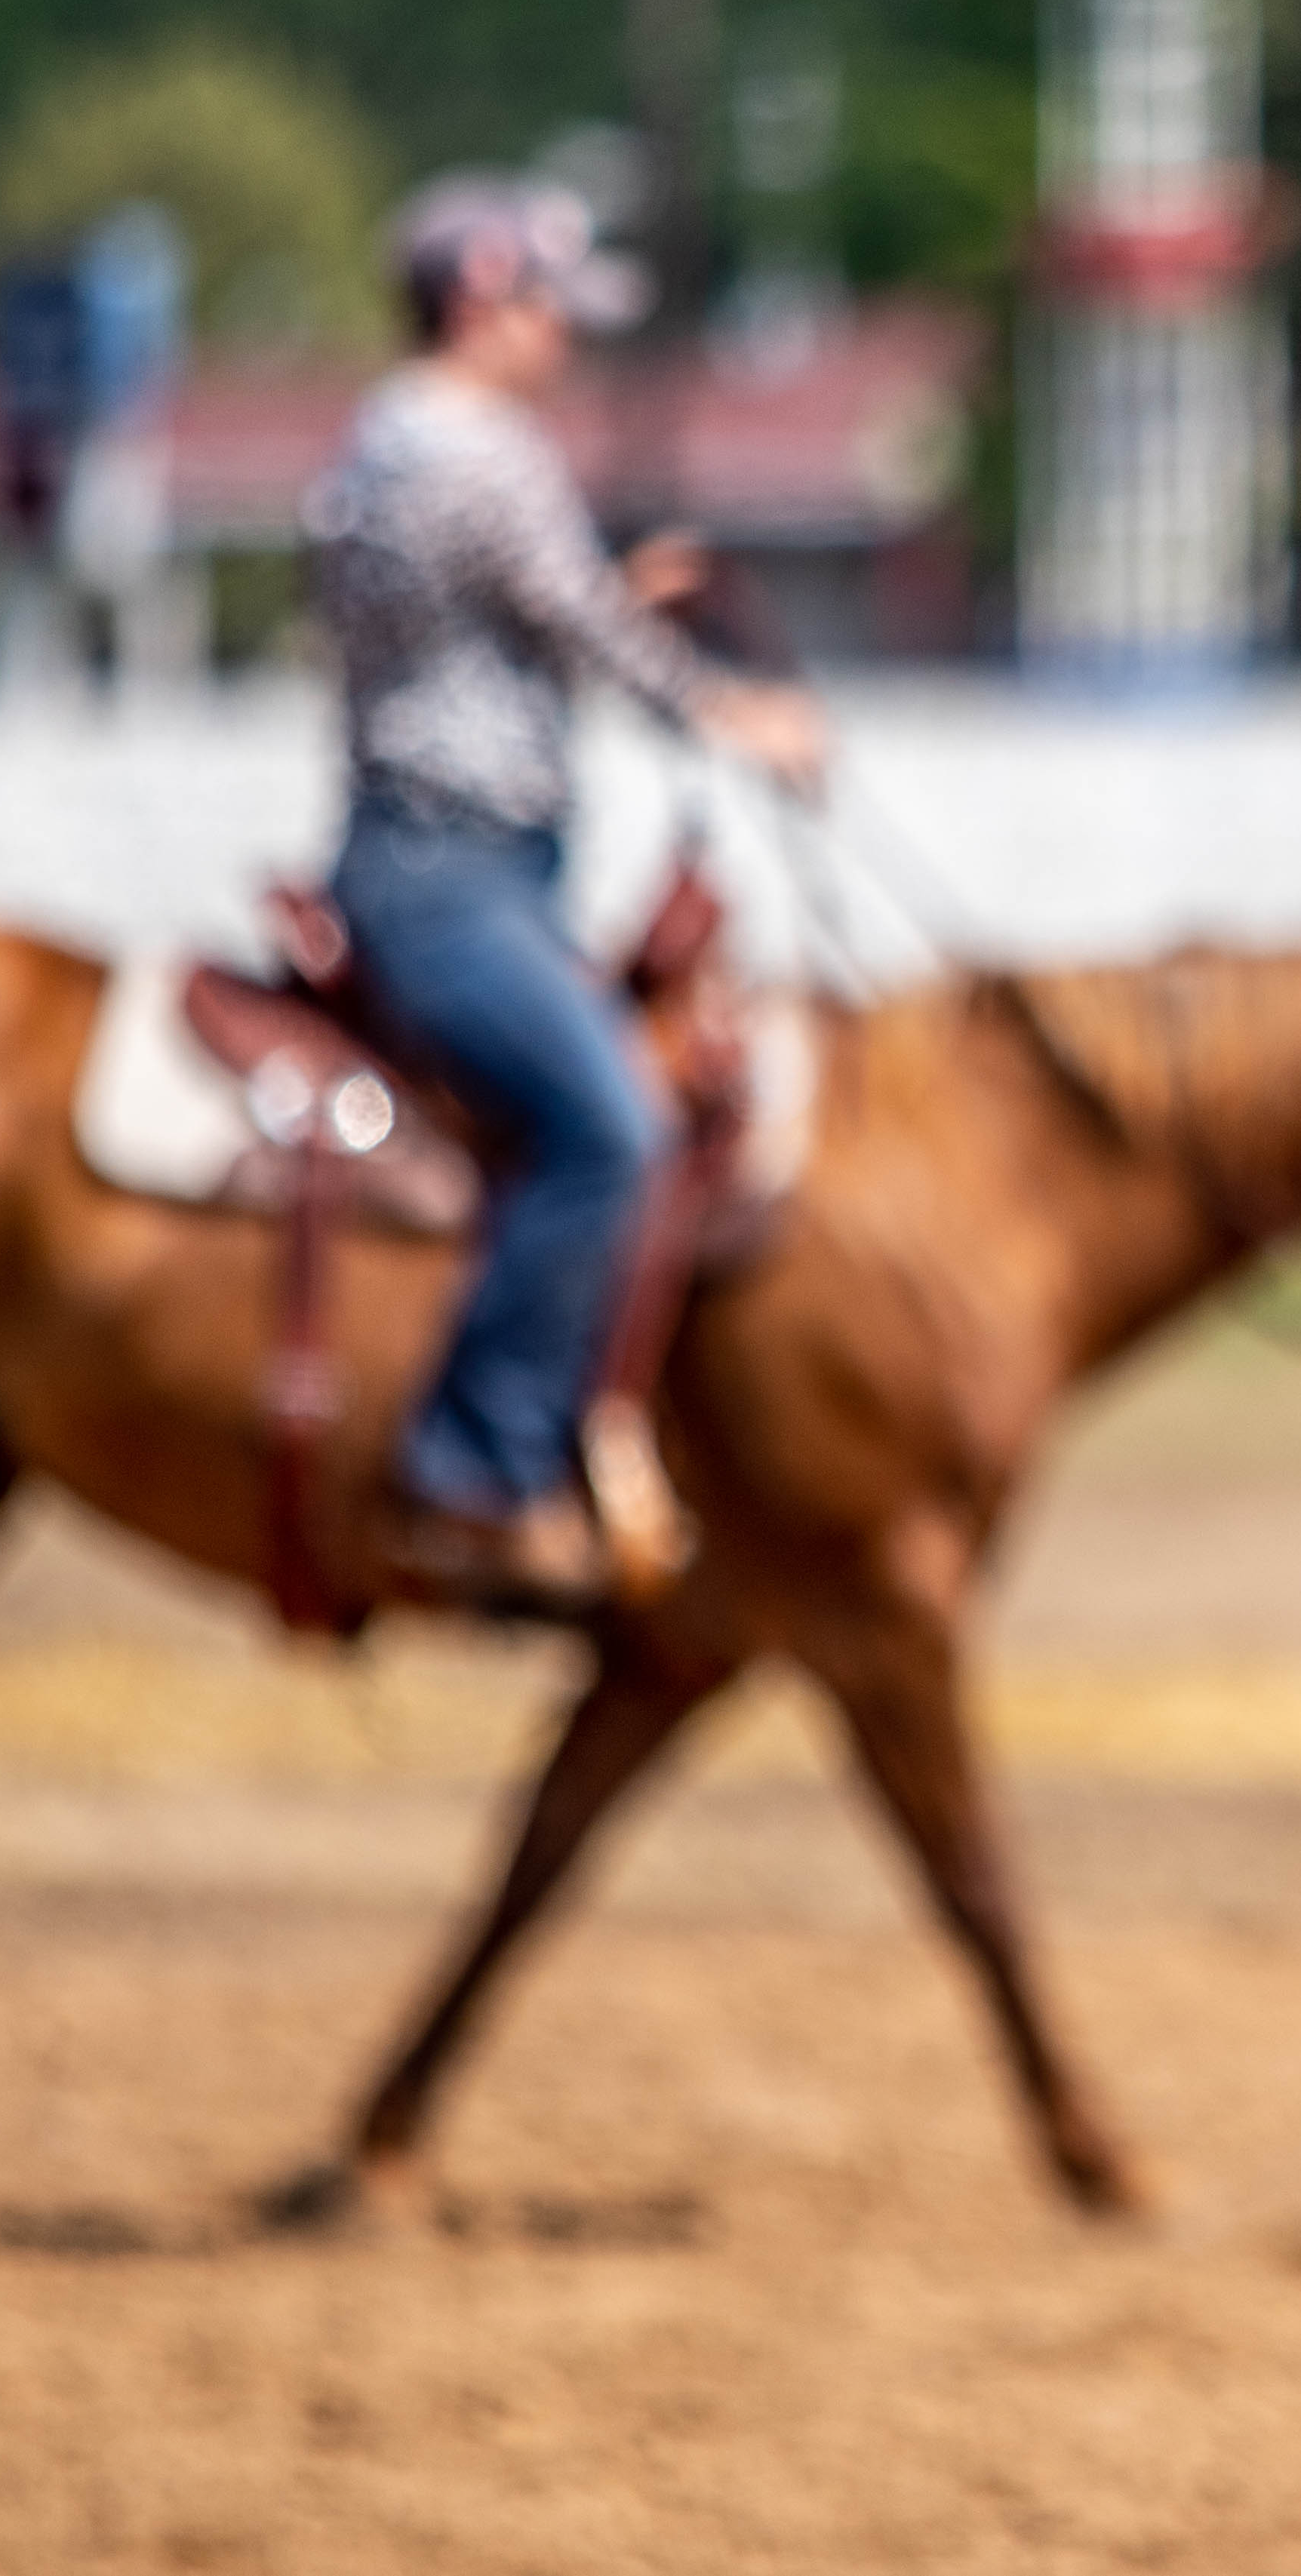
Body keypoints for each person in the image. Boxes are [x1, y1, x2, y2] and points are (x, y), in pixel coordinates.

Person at [303, 175, 827, 1607]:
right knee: (613, 1129)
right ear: (482, 300)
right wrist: (745, 717)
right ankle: (475, 1463)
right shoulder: (476, 451)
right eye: (550, 310)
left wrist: (602, 592)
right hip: (455, 879)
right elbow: (585, 626)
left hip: (429, 857)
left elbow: (526, 607)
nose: (564, 343)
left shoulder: (381, 442)